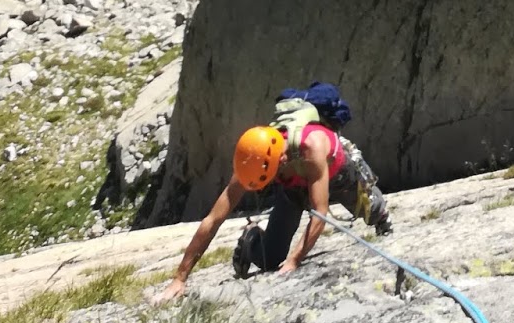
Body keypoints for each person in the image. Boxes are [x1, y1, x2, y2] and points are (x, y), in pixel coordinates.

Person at [154, 118, 391, 303]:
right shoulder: (253, 159)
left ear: (282, 160)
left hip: (337, 174)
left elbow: (320, 212)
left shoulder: (312, 147)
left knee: (372, 212)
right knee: (270, 259)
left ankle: (381, 216)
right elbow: (213, 219)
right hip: (294, 187)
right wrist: (179, 278)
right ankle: (251, 239)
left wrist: (294, 261)